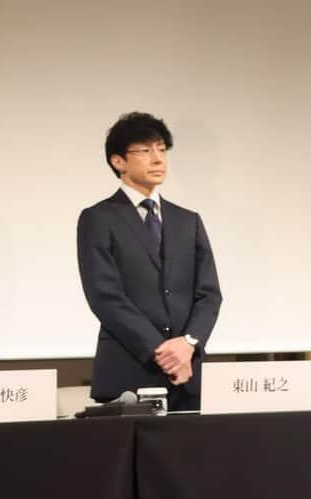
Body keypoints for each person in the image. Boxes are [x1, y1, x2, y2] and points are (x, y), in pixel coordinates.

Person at [76, 112, 222, 410]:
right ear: (118, 161)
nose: (157, 159)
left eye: (162, 150)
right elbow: (105, 296)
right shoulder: (98, 218)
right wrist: (162, 352)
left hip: (189, 374)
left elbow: (209, 294)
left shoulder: (188, 221)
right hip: (129, 370)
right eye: (145, 150)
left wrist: (188, 343)